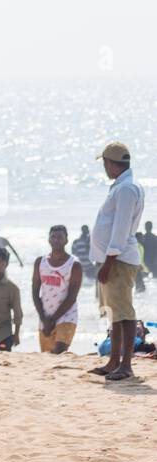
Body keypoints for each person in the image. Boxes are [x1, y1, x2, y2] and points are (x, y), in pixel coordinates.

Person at [89, 142, 146, 381]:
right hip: (115, 259)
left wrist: (108, 263)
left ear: (112, 164)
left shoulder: (126, 189)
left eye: (105, 163)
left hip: (119, 260)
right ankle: (114, 361)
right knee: (115, 313)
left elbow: (120, 230)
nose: (104, 168)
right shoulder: (124, 187)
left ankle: (125, 365)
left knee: (124, 312)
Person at [32, 225, 82, 354]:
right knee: (47, 356)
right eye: (53, 237)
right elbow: (35, 291)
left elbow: (72, 297)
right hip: (45, 316)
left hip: (66, 316)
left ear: (66, 240)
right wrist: (44, 318)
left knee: (59, 351)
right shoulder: (40, 262)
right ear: (49, 239)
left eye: (60, 237)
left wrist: (53, 319)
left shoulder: (74, 265)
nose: (56, 240)